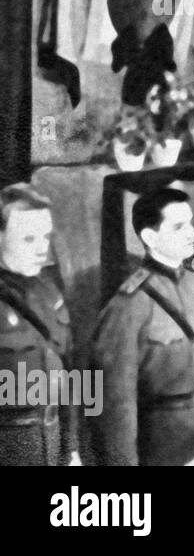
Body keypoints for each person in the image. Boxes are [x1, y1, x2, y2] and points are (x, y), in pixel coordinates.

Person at [89, 188, 194, 466]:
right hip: (162, 437)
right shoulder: (130, 303)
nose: (190, 233)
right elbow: (115, 400)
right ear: (150, 237)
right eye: (178, 226)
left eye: (191, 223)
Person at [0, 184, 75, 465]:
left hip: (52, 444)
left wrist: (71, 448)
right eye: (28, 239)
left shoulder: (50, 292)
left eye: (45, 236)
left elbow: (72, 374)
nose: (42, 249)